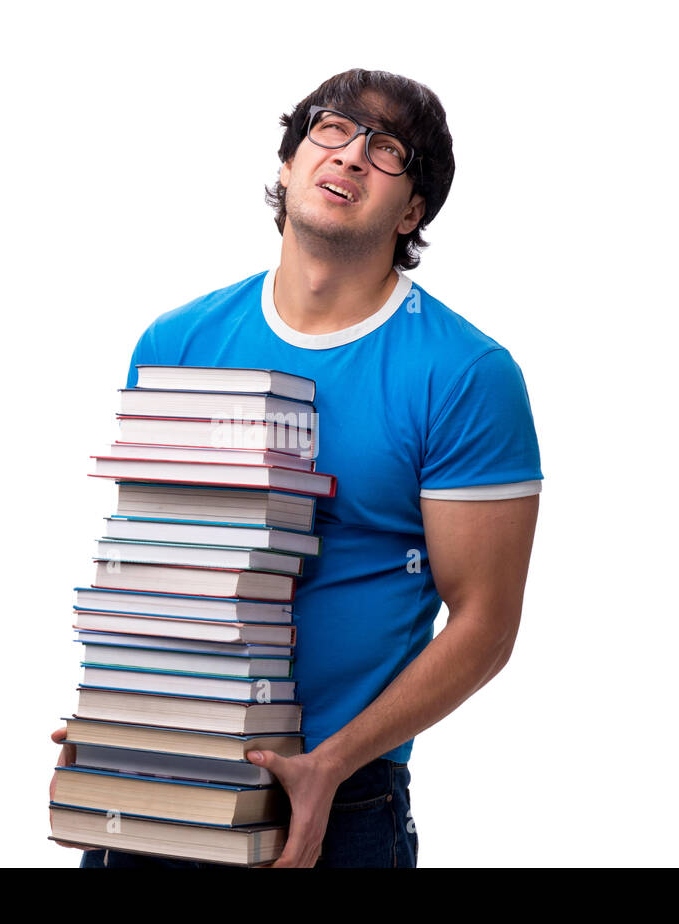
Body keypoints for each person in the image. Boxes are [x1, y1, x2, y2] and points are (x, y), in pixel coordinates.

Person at [52, 67, 542, 868]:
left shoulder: (465, 375)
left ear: (413, 209)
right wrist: (117, 710)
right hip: (157, 772)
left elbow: (486, 623)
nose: (351, 155)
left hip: (337, 798)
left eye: (389, 151)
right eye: (331, 128)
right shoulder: (174, 345)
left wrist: (332, 761)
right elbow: (160, 568)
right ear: (288, 165)